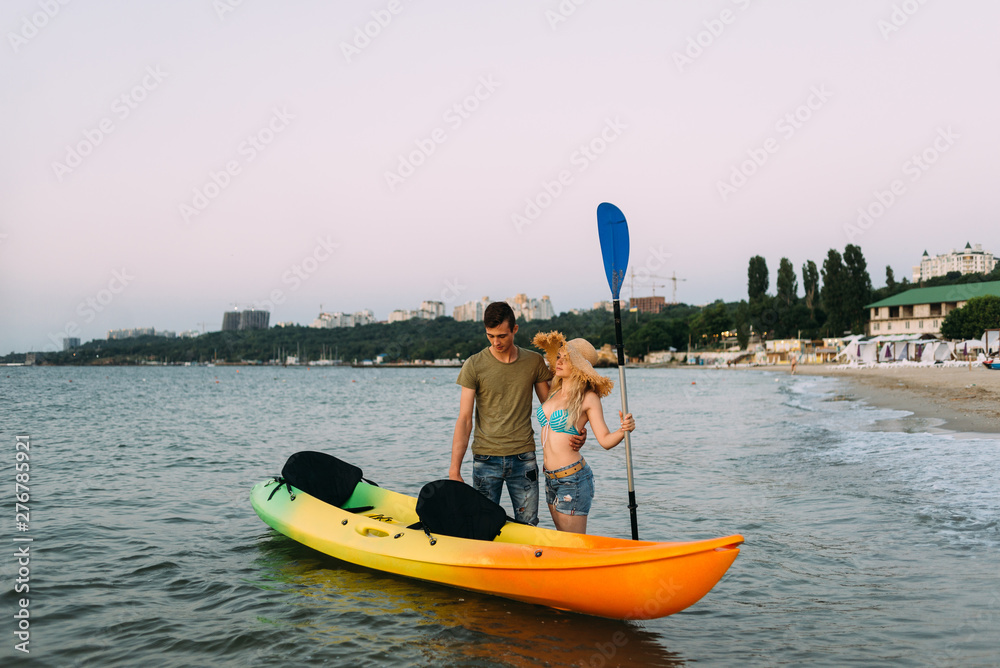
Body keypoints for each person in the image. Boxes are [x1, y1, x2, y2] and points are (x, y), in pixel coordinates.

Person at [449, 302, 584, 525]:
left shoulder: (533, 362)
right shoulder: (474, 364)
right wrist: (454, 470)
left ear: (515, 329)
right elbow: (464, 420)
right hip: (485, 459)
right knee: (482, 525)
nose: (496, 342)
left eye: (502, 335)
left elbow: (550, 408)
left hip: (523, 459)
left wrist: (576, 429)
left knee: (529, 525)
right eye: (490, 336)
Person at [532, 331, 635, 534]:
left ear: (579, 367)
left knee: (573, 544)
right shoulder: (553, 392)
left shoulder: (589, 398)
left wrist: (624, 430)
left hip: (573, 480)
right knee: (563, 541)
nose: (558, 361)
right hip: (550, 478)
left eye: (565, 359)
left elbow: (605, 440)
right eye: (559, 356)